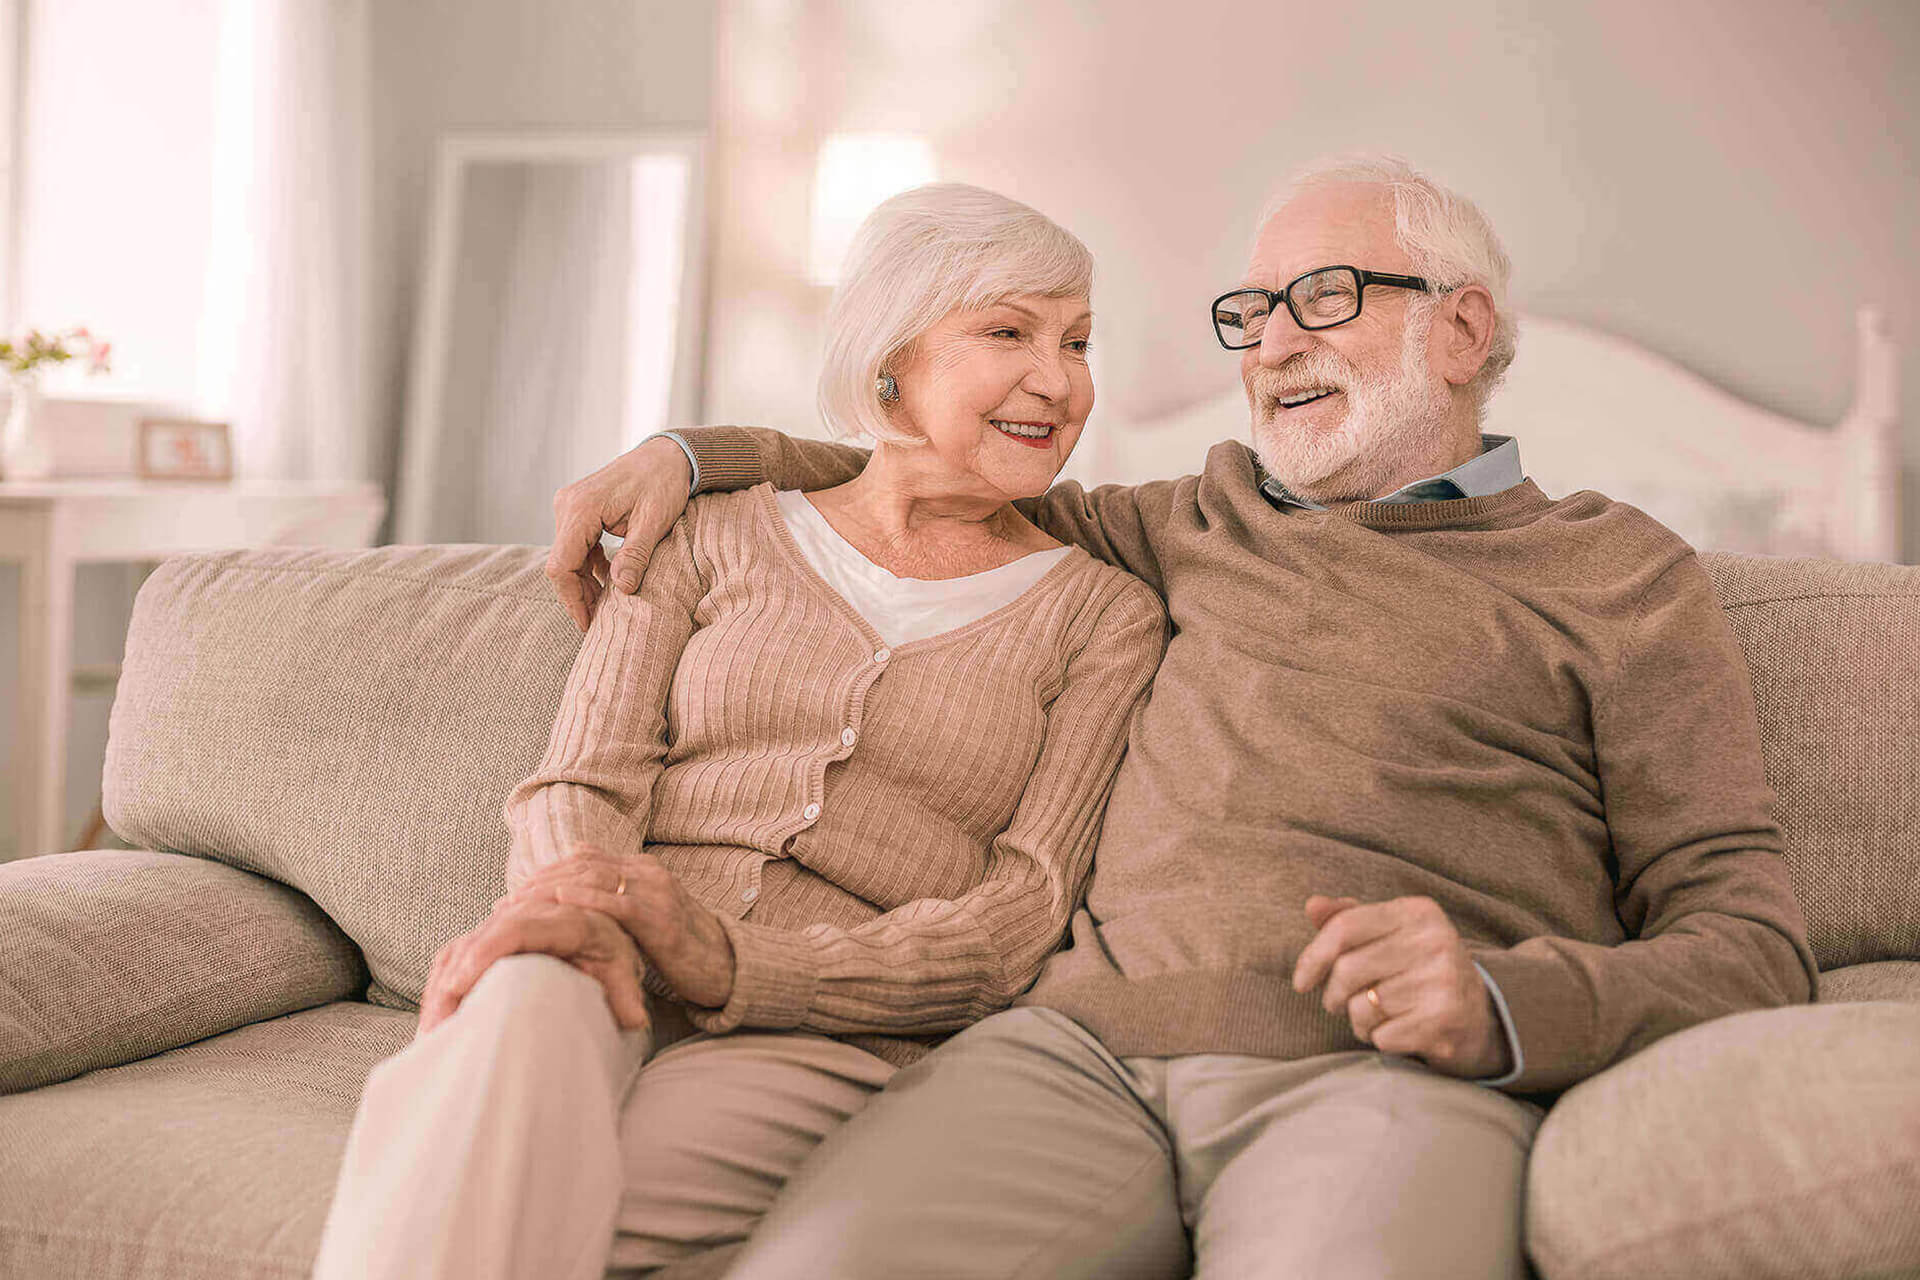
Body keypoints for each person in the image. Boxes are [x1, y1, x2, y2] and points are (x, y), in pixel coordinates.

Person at [548, 154, 1816, 1279]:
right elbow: (923, 467)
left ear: (1462, 328)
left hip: (1377, 1078)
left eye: (1324, 297)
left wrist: (1502, 998)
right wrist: (690, 455)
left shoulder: (1618, 575)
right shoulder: (1189, 519)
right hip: (1067, 1054)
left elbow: (1754, 945)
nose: (1271, 347)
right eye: (1252, 313)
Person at [312, 183, 1167, 1280]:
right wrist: (574, 901)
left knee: (536, 1200)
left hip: (826, 1026)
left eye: (1078, 341)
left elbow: (1018, 918)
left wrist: (734, 960)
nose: (1059, 379)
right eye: (1010, 332)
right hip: (604, 948)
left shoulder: (1103, 614)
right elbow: (583, 780)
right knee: (522, 1018)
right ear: (890, 359)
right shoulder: (709, 533)